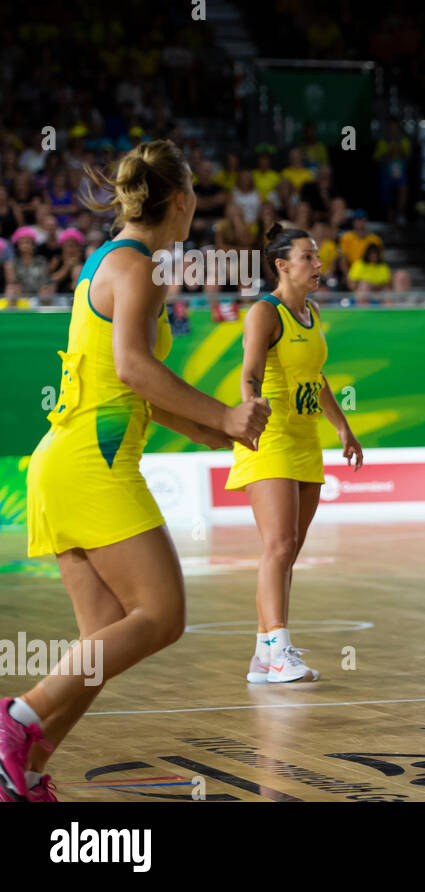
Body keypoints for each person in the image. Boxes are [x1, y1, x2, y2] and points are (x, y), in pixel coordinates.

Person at [0, 140, 269, 802]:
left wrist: (211, 430)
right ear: (180, 201)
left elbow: (132, 389)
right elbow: (134, 369)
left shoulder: (109, 260)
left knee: (98, 647)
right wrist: (227, 416)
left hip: (62, 461)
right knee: (162, 613)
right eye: (195, 200)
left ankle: (24, 774)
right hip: (92, 463)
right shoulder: (141, 267)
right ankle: (16, 720)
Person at [226, 222, 363, 684]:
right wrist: (249, 409)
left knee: (289, 550)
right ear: (281, 265)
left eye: (318, 256)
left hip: (305, 439)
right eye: (308, 257)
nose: (319, 264)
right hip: (270, 437)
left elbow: (316, 377)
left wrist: (342, 427)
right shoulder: (264, 313)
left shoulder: (313, 312)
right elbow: (249, 372)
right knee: (279, 546)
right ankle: (279, 649)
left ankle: (264, 655)